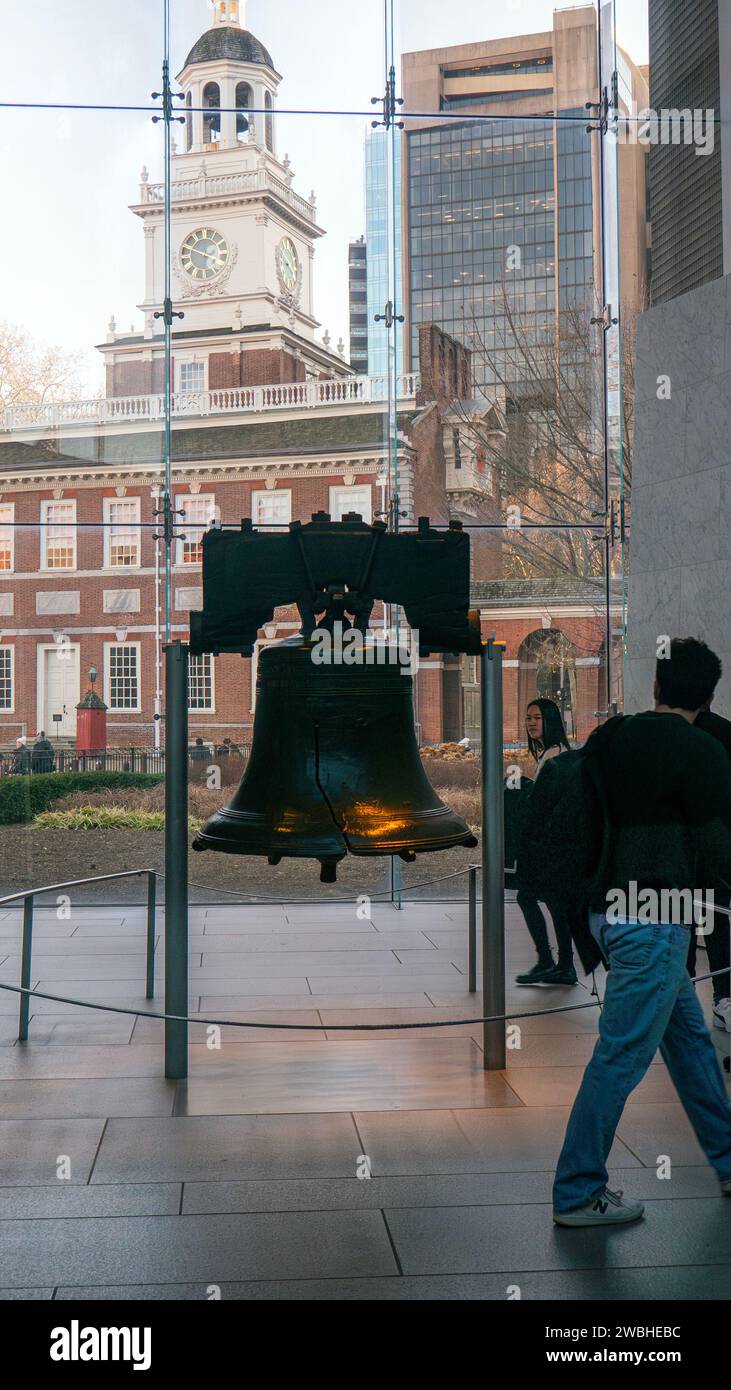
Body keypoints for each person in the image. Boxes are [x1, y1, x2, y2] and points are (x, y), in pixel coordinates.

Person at [553, 638, 731, 1227]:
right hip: (658, 919)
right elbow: (716, 849)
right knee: (621, 1056)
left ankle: (729, 1159)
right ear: (707, 697)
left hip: (610, 913)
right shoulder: (702, 750)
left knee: (689, 1042)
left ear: (656, 686)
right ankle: (578, 1192)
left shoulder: (612, 737)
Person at [515, 699, 577, 987]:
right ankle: (561, 964)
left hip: (549, 846)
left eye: (537, 718)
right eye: (528, 718)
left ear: (549, 721)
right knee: (555, 903)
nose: (530, 723)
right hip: (553, 845)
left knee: (531, 898)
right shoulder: (551, 754)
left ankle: (551, 962)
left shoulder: (554, 757)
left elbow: (547, 801)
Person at [689, 702, 731, 1032]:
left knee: (701, 919)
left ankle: (714, 995)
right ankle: (722, 997)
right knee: (713, 919)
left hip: (701, 846)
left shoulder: (707, 732)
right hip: (713, 843)